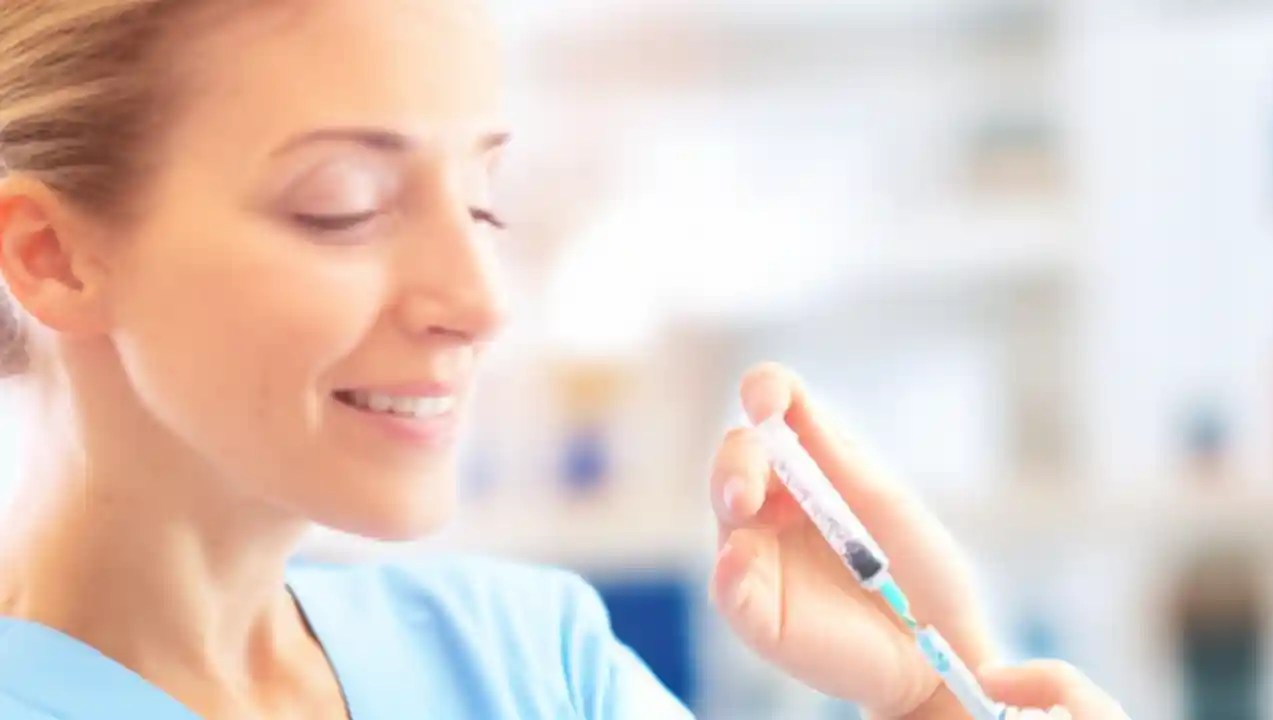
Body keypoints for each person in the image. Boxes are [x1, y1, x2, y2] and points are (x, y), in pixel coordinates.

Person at [0, 1, 1128, 718]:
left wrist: (941, 694)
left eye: (485, 205)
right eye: (344, 207)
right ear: (52, 255)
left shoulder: (533, 663)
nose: (482, 301)